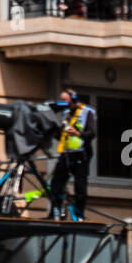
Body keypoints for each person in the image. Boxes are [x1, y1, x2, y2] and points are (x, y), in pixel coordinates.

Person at [49, 86, 97, 221]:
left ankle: (79, 215)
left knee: (80, 187)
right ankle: (55, 213)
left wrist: (78, 133)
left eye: (65, 101)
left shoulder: (87, 112)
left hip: (81, 154)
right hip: (67, 154)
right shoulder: (66, 113)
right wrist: (54, 133)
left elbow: (92, 133)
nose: (63, 104)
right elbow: (63, 136)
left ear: (73, 99)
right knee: (55, 184)